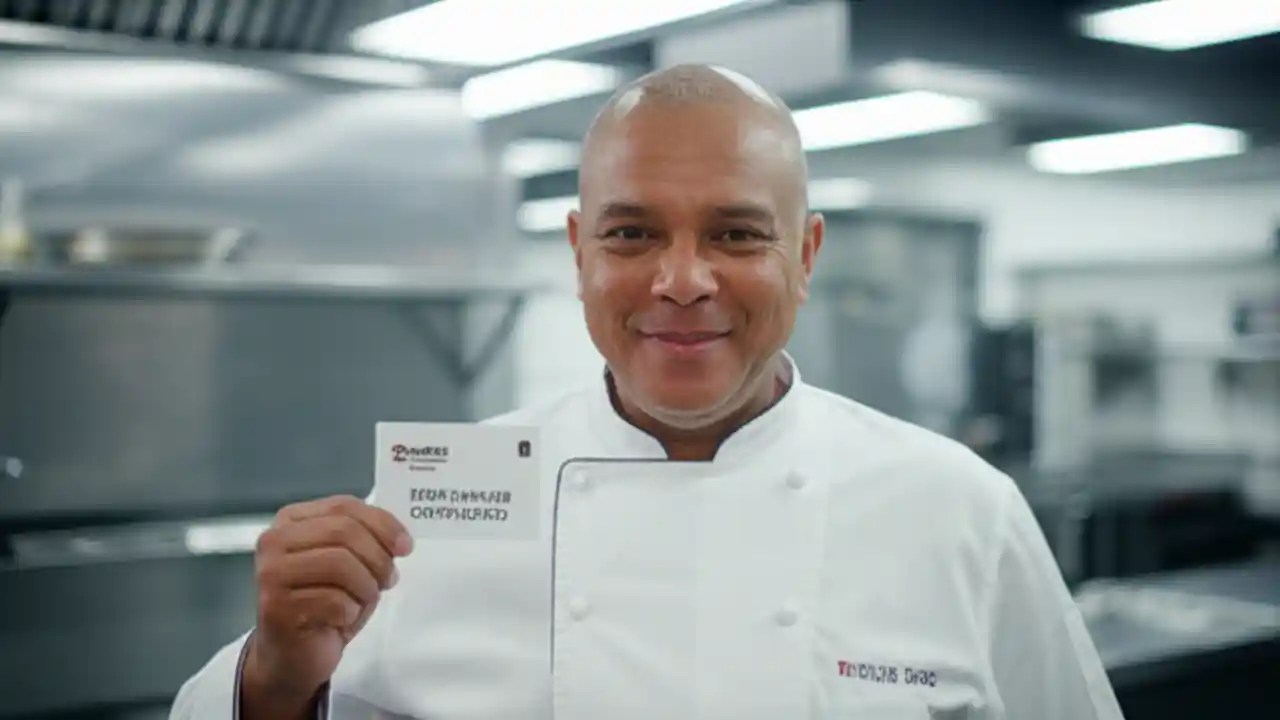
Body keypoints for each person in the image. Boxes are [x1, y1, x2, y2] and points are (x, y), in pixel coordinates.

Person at [171, 64, 1123, 720]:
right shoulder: (434, 510)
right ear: (579, 252)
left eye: (736, 234)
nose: (681, 280)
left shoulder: (958, 509)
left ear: (806, 253)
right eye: (631, 235)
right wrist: (275, 676)